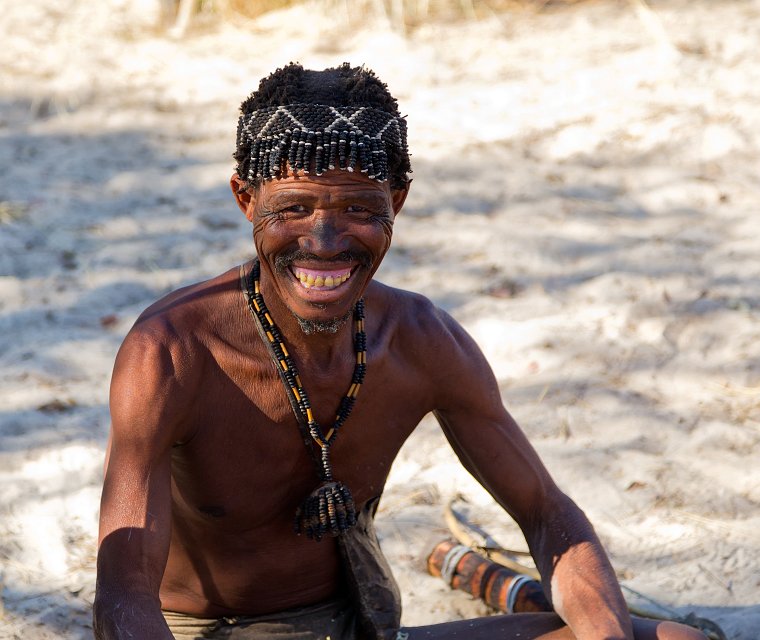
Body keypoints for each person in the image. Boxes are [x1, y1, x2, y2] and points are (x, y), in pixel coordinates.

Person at [93, 62, 705, 640]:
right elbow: (123, 595)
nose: (325, 242)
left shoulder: (420, 338)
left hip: (366, 621)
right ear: (245, 200)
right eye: (294, 209)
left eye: (358, 209)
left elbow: (547, 514)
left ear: (399, 203)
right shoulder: (172, 351)